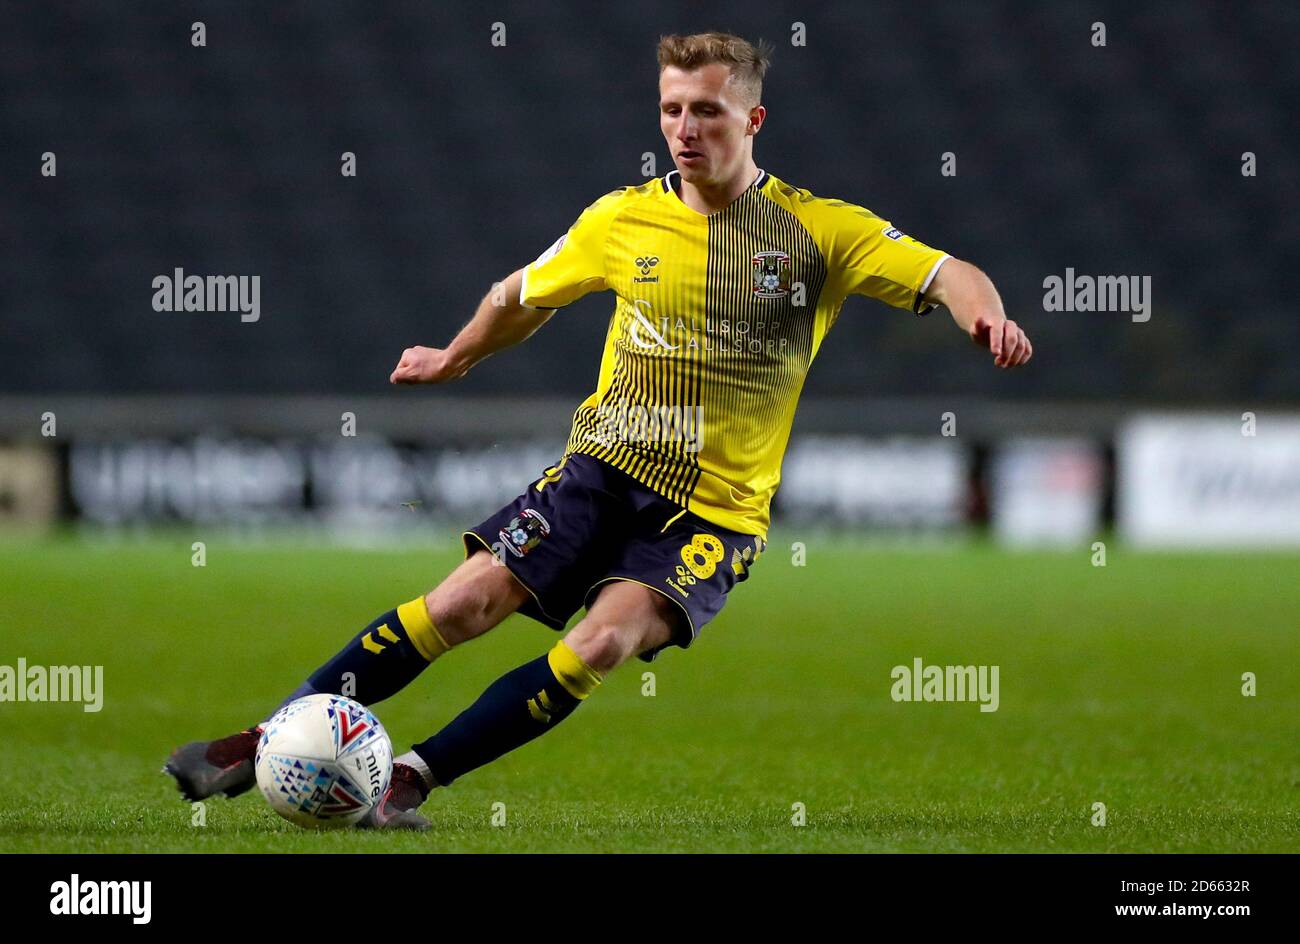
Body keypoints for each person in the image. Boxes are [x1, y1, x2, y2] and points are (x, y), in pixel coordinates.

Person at [165, 31, 1031, 830]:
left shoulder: (818, 231)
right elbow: (520, 294)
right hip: (600, 471)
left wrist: (984, 319)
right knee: (463, 602)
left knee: (600, 643)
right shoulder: (621, 218)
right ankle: (265, 739)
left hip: (716, 513)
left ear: (753, 119)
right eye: (671, 109)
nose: (684, 128)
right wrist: (457, 355)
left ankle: (408, 781)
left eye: (706, 111)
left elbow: (953, 272)